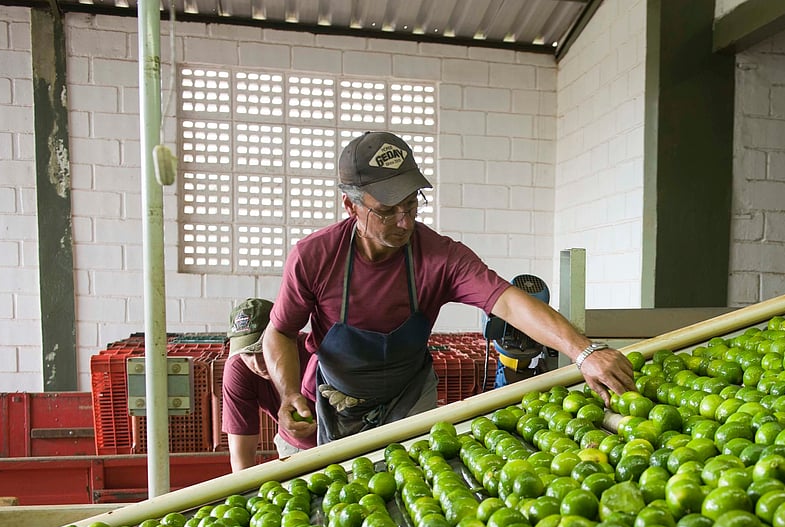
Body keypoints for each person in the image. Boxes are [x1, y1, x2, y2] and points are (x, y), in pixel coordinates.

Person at [263, 131, 636, 445]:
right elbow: (279, 331)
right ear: (351, 206)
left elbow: (508, 302)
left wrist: (584, 351)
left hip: (409, 399)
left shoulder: (440, 256)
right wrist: (289, 391)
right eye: (389, 209)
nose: (405, 221)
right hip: (335, 402)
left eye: (412, 205)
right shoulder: (314, 257)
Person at [221, 298, 316, 470]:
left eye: (262, 349)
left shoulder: (312, 353)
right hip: (293, 444)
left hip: (343, 439)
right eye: (247, 354)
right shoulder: (238, 369)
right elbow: (241, 457)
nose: (257, 364)